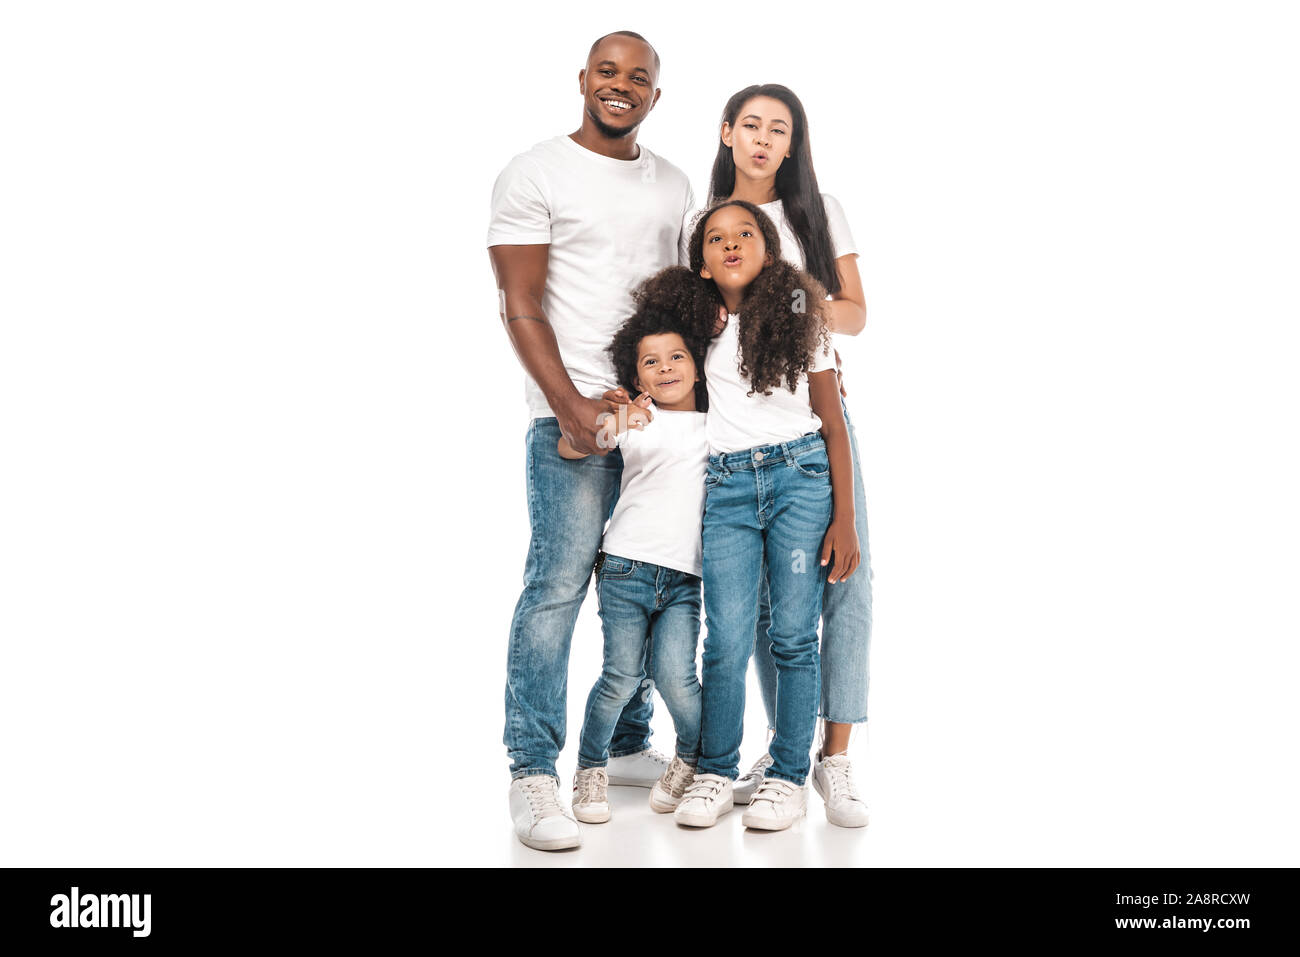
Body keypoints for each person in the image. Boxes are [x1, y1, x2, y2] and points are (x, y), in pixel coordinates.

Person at [487, 31, 695, 851]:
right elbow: (519, 301)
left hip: (656, 421)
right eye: (608, 72)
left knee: (645, 577)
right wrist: (571, 406)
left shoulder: (673, 183)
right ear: (583, 80)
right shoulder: (534, 171)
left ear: (654, 95)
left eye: (638, 78)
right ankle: (533, 770)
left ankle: (625, 743)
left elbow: (686, 304)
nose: (621, 85)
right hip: (571, 417)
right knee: (558, 586)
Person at [680, 84, 874, 827]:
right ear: (727, 133)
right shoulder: (701, 222)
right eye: (751, 125)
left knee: (841, 585)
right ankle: (778, 747)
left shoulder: (814, 214)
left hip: (812, 426)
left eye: (779, 129)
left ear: (792, 144)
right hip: (733, 440)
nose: (763, 139)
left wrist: (789, 310)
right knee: (745, 614)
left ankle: (832, 759)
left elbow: (854, 312)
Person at [559, 305, 709, 823]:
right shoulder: (639, 420)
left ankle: (691, 760)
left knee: (678, 678)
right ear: (636, 373)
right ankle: (590, 769)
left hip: (686, 576)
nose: (665, 368)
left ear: (696, 363)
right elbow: (570, 445)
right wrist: (616, 416)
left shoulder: (717, 426)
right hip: (626, 569)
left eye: (675, 356)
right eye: (651, 361)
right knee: (620, 676)